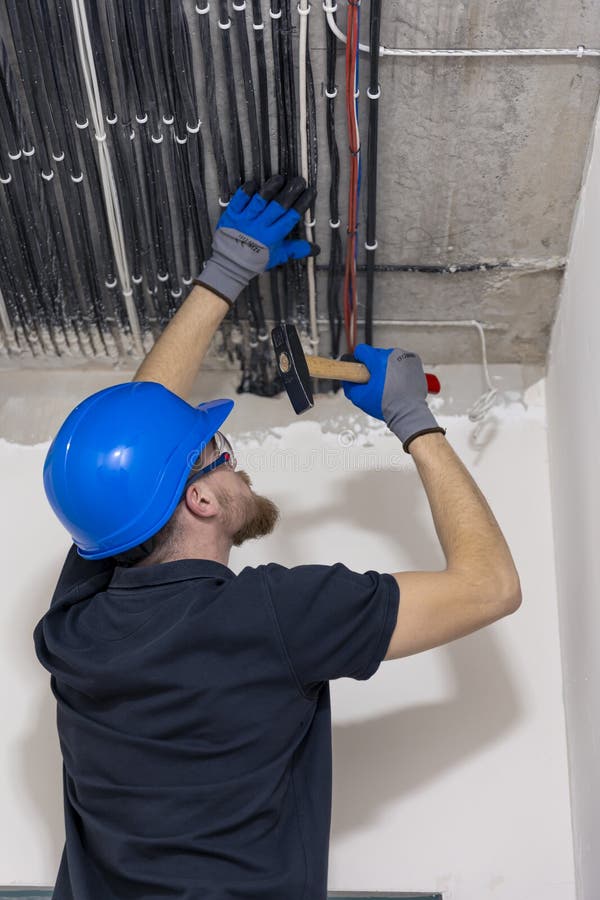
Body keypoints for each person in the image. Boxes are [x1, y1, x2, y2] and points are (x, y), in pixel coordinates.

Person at [34, 175, 521, 900]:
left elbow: (135, 441)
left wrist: (225, 272)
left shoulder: (77, 626)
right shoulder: (272, 617)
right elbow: (491, 587)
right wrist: (415, 422)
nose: (240, 464)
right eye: (223, 454)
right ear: (200, 499)